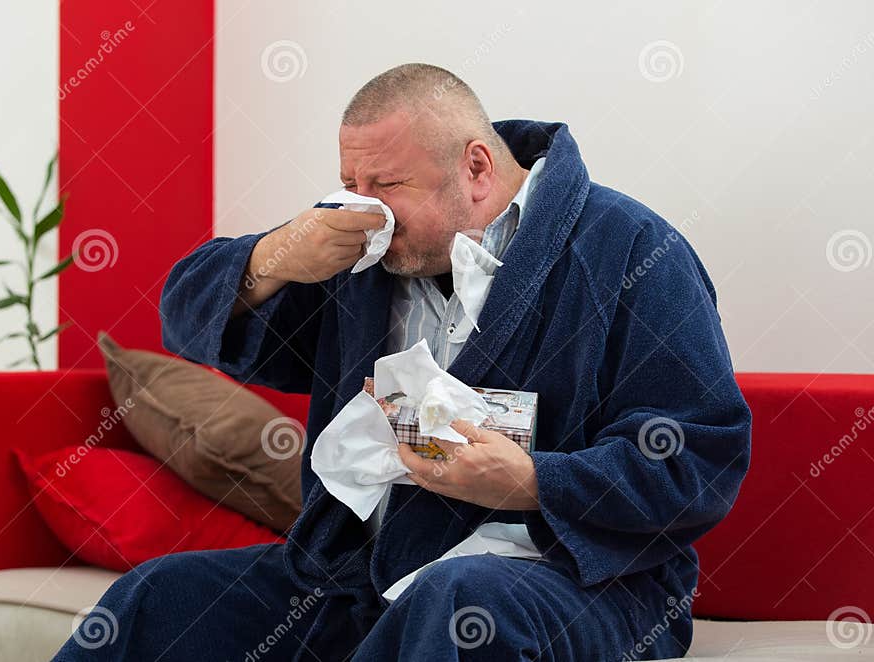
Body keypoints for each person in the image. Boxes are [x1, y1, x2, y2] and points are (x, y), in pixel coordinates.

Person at [53, 62, 751, 661]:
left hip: (576, 580)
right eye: (348, 180)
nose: (363, 206)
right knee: (156, 599)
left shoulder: (631, 251)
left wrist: (535, 482)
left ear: (476, 167)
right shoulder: (364, 254)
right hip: (361, 575)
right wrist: (274, 256)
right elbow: (185, 316)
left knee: (458, 607)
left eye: (384, 185)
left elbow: (700, 459)